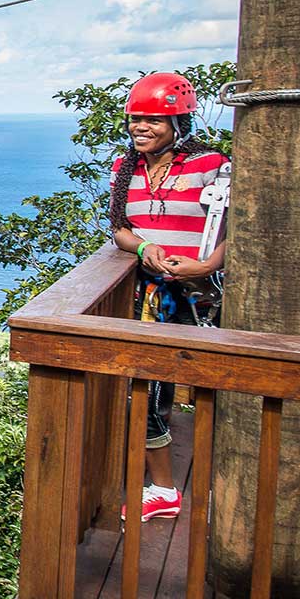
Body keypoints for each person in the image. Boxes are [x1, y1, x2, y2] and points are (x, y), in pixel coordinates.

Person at [108, 71, 227, 523]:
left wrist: (209, 264)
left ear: (179, 124)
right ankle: (164, 488)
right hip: (152, 295)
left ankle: (223, 484)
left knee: (216, 388)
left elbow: (240, 226)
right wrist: (143, 247)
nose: (141, 127)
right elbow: (120, 229)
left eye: (154, 120)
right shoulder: (126, 170)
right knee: (148, 388)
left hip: (203, 296)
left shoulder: (211, 165)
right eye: (136, 119)